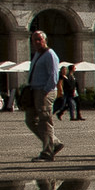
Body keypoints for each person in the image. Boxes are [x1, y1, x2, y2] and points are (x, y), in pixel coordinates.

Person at [24, 29, 63, 161]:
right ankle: (54, 143)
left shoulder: (50, 54)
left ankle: (47, 152)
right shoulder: (37, 54)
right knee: (30, 120)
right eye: (34, 40)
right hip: (35, 90)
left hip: (44, 91)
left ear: (45, 40)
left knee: (45, 122)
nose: (36, 42)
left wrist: (45, 91)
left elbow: (54, 76)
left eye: (39, 39)